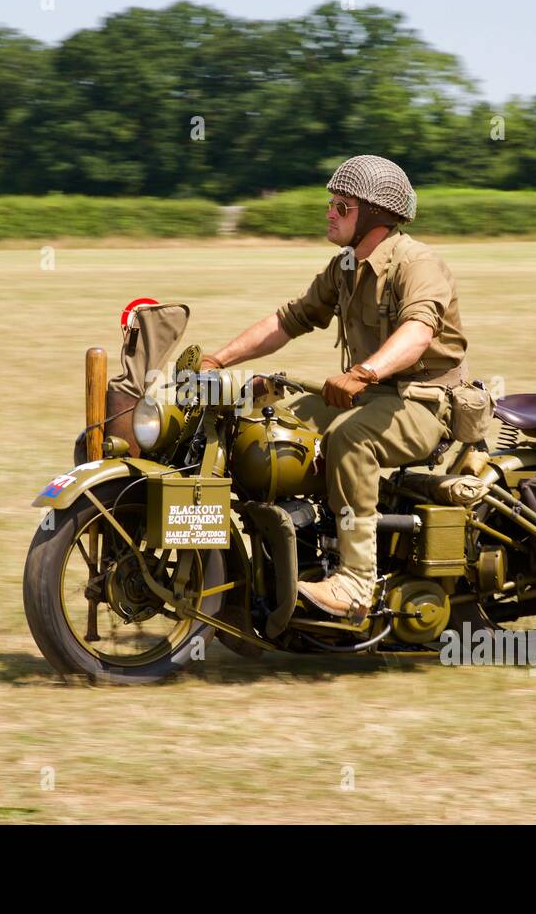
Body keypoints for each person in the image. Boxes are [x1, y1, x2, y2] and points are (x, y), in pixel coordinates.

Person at [200, 155, 469, 622]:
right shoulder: (344, 266)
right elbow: (290, 319)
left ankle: (355, 585)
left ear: (372, 217)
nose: (329, 212)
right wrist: (218, 359)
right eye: (331, 203)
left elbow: (418, 332)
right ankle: (283, 560)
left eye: (341, 206)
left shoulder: (417, 263)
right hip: (367, 393)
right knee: (274, 430)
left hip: (422, 402)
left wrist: (364, 372)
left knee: (351, 439)